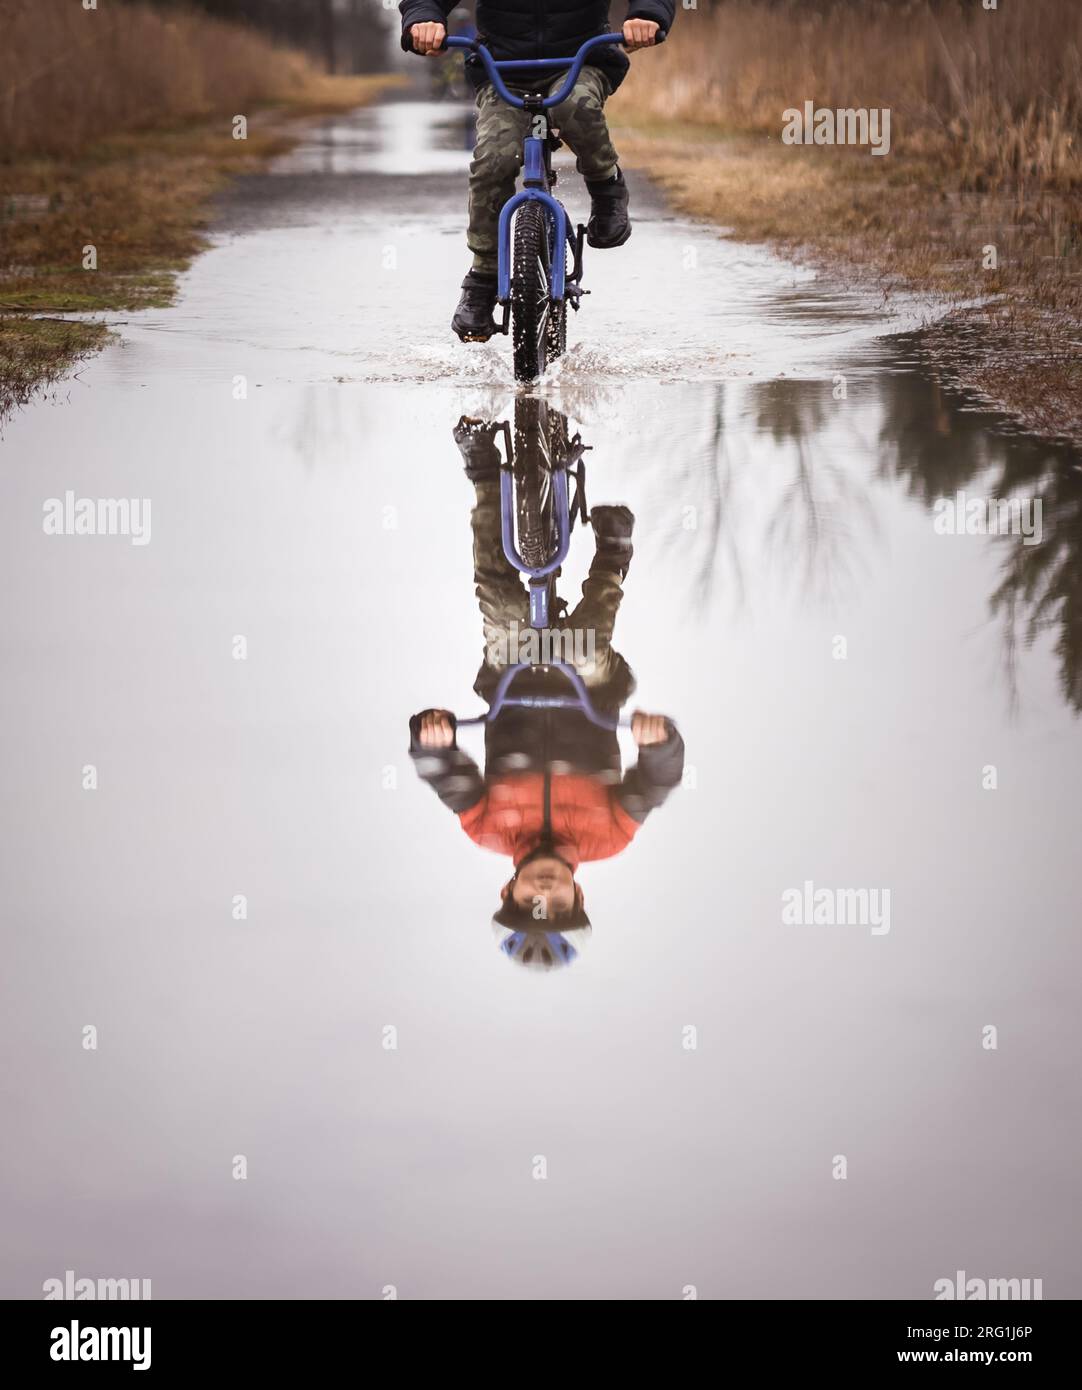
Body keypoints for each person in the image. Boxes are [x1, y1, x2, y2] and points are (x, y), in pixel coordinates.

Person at [407, 412, 685, 968]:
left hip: (514, 680)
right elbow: (657, 782)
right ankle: (611, 557)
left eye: (528, 902)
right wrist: (660, 744)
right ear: (577, 896)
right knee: (584, 644)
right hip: (591, 693)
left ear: (506, 892)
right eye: (556, 903)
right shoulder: (610, 837)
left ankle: (485, 470)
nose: (543, 892)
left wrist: (431, 742)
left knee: (500, 599)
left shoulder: (486, 830)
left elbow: (445, 777)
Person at [400, 0, 675, 341]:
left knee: (574, 106)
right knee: (493, 159)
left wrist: (646, 15)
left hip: (580, 62)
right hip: (502, 70)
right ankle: (483, 277)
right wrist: (424, 19)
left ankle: (607, 186)